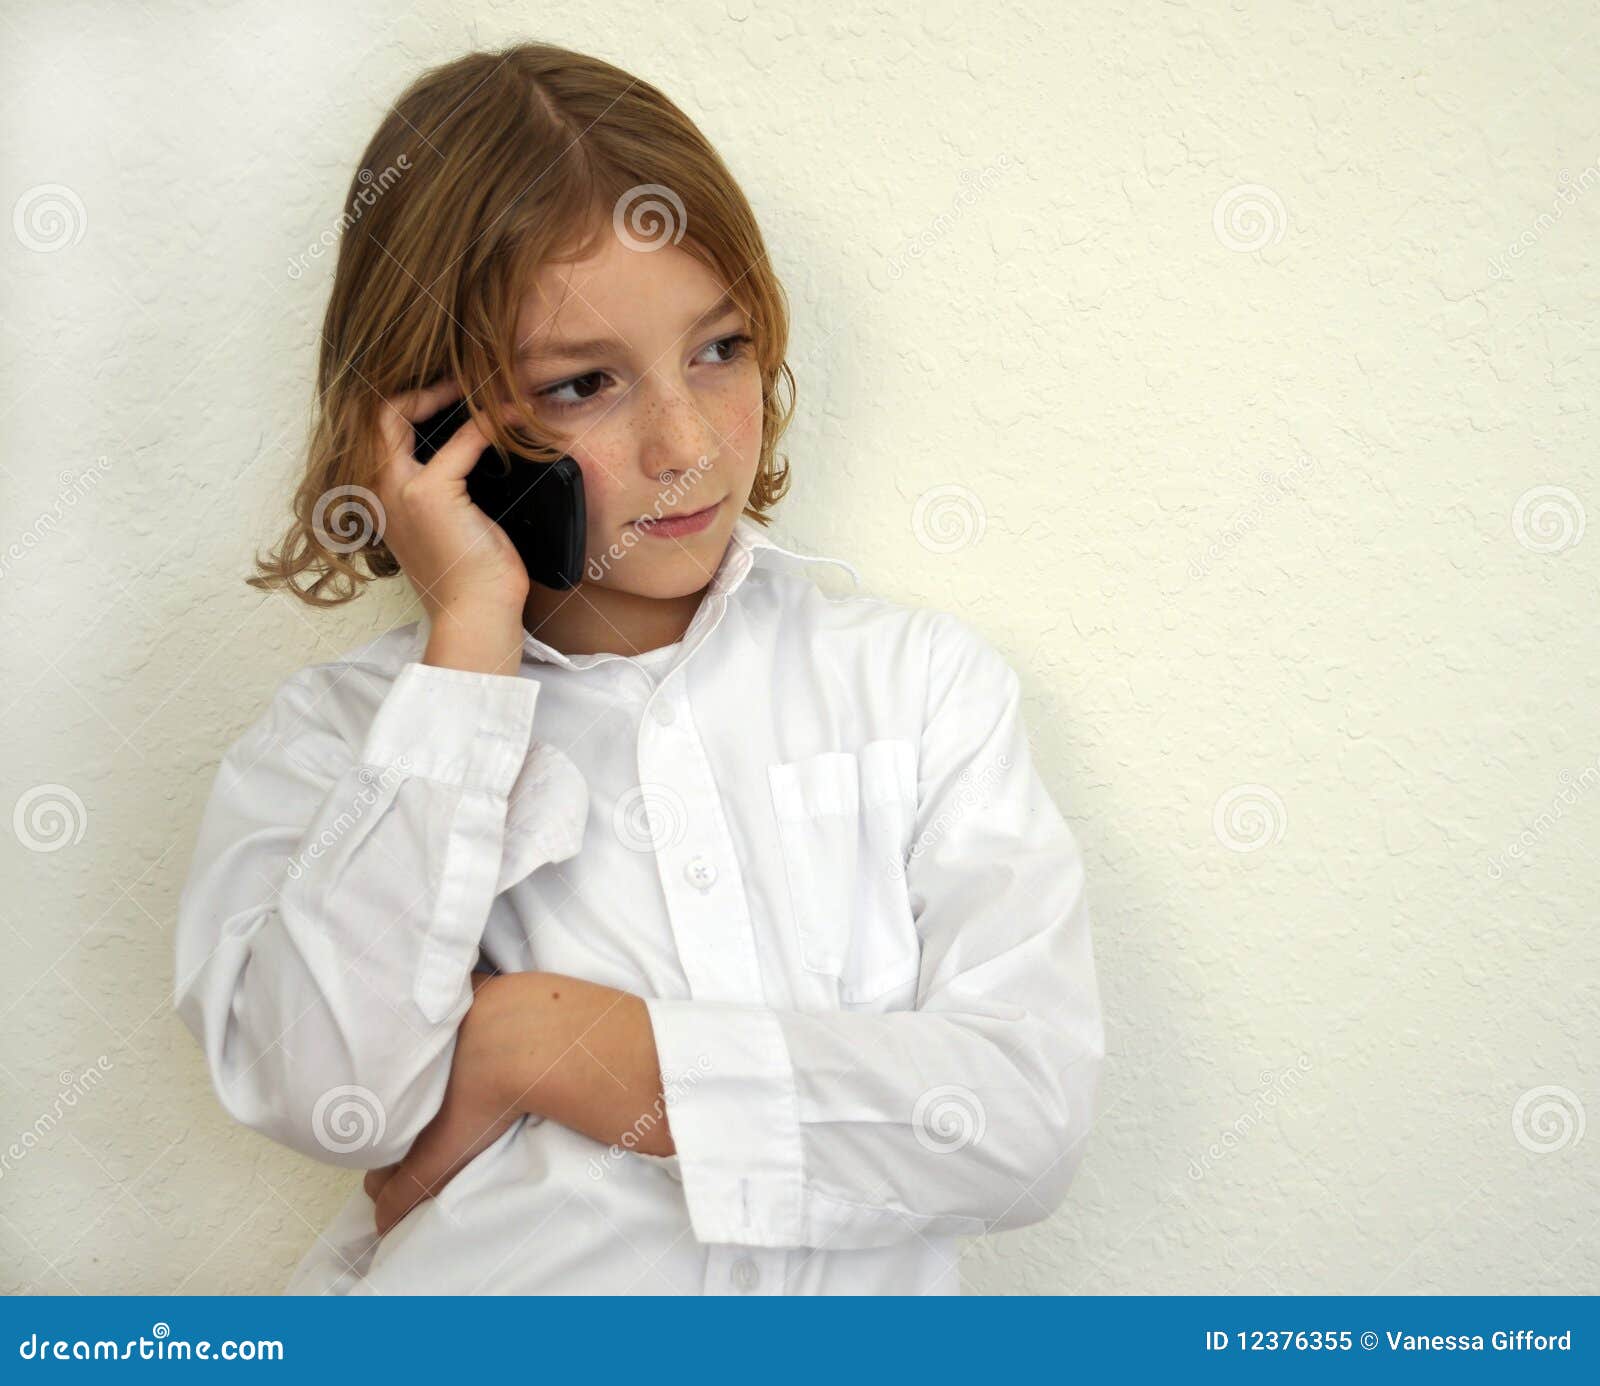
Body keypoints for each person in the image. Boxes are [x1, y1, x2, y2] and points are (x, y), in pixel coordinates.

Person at [172, 40, 1104, 1296]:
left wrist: (548, 1046)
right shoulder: (344, 739)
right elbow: (329, 1096)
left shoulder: (919, 691)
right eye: (585, 383)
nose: (685, 443)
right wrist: (470, 640)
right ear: (434, 428)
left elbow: (1017, 1123)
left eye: (718, 351)